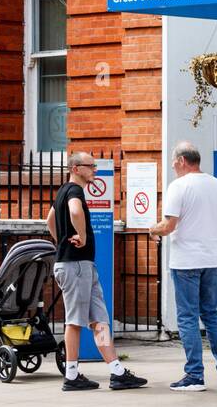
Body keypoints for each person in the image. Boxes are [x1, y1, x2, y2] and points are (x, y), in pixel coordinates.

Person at [47, 150, 148, 392]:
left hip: (82, 265)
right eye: (90, 166)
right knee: (74, 321)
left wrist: (60, 240)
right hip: (76, 266)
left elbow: (50, 219)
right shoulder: (73, 191)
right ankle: (71, 375)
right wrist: (79, 236)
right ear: (75, 169)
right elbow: (74, 211)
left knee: (99, 319)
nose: (95, 170)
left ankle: (117, 372)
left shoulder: (62, 191)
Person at [150, 141, 217, 392]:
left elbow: (168, 226)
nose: (173, 167)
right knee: (211, 314)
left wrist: (152, 229)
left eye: (174, 162)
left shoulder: (179, 186)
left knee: (187, 317)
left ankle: (194, 375)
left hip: (186, 261)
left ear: (182, 161)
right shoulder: (216, 184)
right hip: (211, 259)